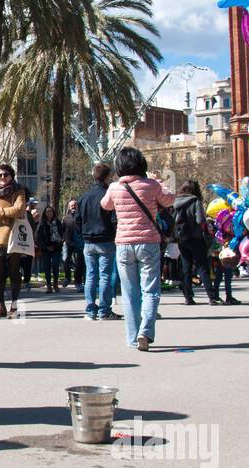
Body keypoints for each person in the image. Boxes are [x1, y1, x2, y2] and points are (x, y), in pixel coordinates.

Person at [100, 147, 173, 351]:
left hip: (123, 244)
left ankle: (133, 338)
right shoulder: (150, 185)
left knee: (129, 292)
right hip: (148, 242)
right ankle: (146, 331)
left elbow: (105, 205)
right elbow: (170, 198)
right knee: (150, 290)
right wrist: (157, 181)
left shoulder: (114, 187)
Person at [78, 162, 121, 321]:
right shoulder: (107, 195)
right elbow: (114, 219)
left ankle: (90, 310)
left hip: (88, 240)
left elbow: (77, 219)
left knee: (90, 276)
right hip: (106, 239)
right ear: (107, 177)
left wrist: (83, 232)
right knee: (105, 276)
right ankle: (104, 310)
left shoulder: (85, 197)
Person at [0, 163, 29, 319]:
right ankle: (1, 305)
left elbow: (19, 209)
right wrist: (6, 213)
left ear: (11, 176)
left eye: (5, 174)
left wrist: (1, 211)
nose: (2, 177)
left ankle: (14, 305)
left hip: (14, 237)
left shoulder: (19, 190)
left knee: (14, 271)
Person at [173, 180, 219, 305]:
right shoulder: (195, 201)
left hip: (182, 238)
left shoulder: (175, 201)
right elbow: (200, 220)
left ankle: (188, 297)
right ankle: (212, 296)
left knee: (186, 268)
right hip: (196, 237)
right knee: (202, 267)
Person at [34, 204, 64, 292]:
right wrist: (45, 247)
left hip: (56, 248)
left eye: (50, 211)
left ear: (53, 212)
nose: (49, 213)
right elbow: (37, 236)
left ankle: (55, 283)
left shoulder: (57, 222)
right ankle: (48, 285)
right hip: (46, 248)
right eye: (47, 211)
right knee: (47, 267)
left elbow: (62, 234)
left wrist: (58, 244)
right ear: (45, 213)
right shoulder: (42, 223)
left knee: (55, 266)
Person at [64, 197, 85, 292]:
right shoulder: (66, 218)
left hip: (79, 243)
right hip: (68, 243)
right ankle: (67, 278)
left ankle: (78, 282)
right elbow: (62, 230)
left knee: (79, 263)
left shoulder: (81, 216)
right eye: (72, 205)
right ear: (68, 207)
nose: (73, 207)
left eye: (75, 205)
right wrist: (63, 240)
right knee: (66, 261)